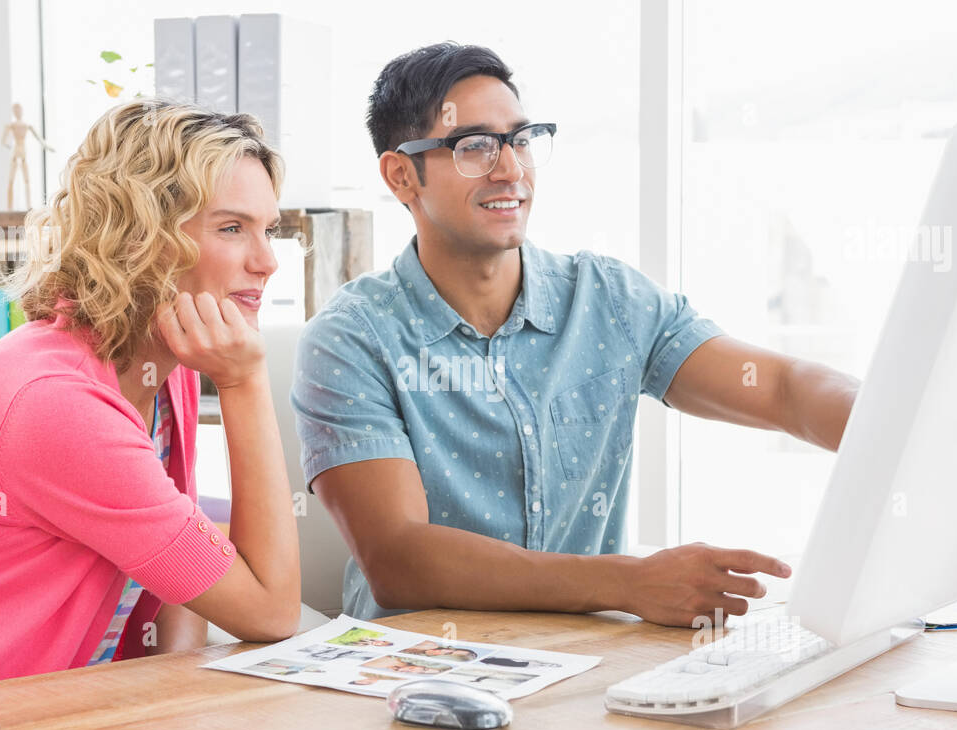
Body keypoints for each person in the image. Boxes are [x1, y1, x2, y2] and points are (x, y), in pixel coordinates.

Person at [292, 42, 860, 626]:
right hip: (418, 677)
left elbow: (784, 389)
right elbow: (400, 558)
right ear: (402, 175)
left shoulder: (609, 300)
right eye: (476, 146)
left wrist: (900, 428)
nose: (510, 169)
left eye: (521, 140)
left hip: (587, 667)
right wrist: (630, 583)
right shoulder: (350, 340)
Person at [0, 100, 301, 710]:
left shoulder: (162, 373)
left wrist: (176, 716)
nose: (268, 261)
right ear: (143, 239)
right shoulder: (57, 404)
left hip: (37, 723)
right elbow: (272, 611)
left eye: (268, 229)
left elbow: (186, 584)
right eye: (231, 228)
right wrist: (246, 382)